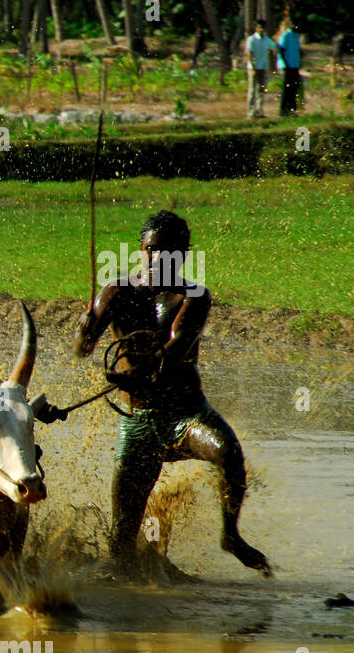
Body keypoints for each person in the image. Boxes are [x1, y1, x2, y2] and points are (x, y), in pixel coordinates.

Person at [72, 210, 271, 579]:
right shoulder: (114, 291)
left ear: (183, 254)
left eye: (170, 251)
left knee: (228, 452)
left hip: (185, 413)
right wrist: (86, 326)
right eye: (152, 250)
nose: (159, 258)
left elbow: (176, 348)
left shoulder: (194, 295)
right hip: (139, 421)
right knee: (120, 543)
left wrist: (135, 375)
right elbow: (83, 349)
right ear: (141, 251)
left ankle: (230, 535)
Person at [244, 19, 275, 118]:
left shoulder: (267, 40)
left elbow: (273, 48)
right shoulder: (251, 39)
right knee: (252, 90)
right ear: (256, 28)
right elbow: (249, 54)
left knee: (261, 90)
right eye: (259, 27)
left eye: (263, 28)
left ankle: (259, 111)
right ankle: (250, 112)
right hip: (253, 67)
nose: (261, 29)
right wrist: (252, 67)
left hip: (263, 67)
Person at [276, 20, 302, 115]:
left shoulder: (296, 36)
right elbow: (281, 50)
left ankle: (292, 109)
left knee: (294, 87)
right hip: (287, 65)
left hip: (295, 65)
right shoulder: (285, 36)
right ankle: (283, 110)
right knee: (287, 88)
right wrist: (285, 64)